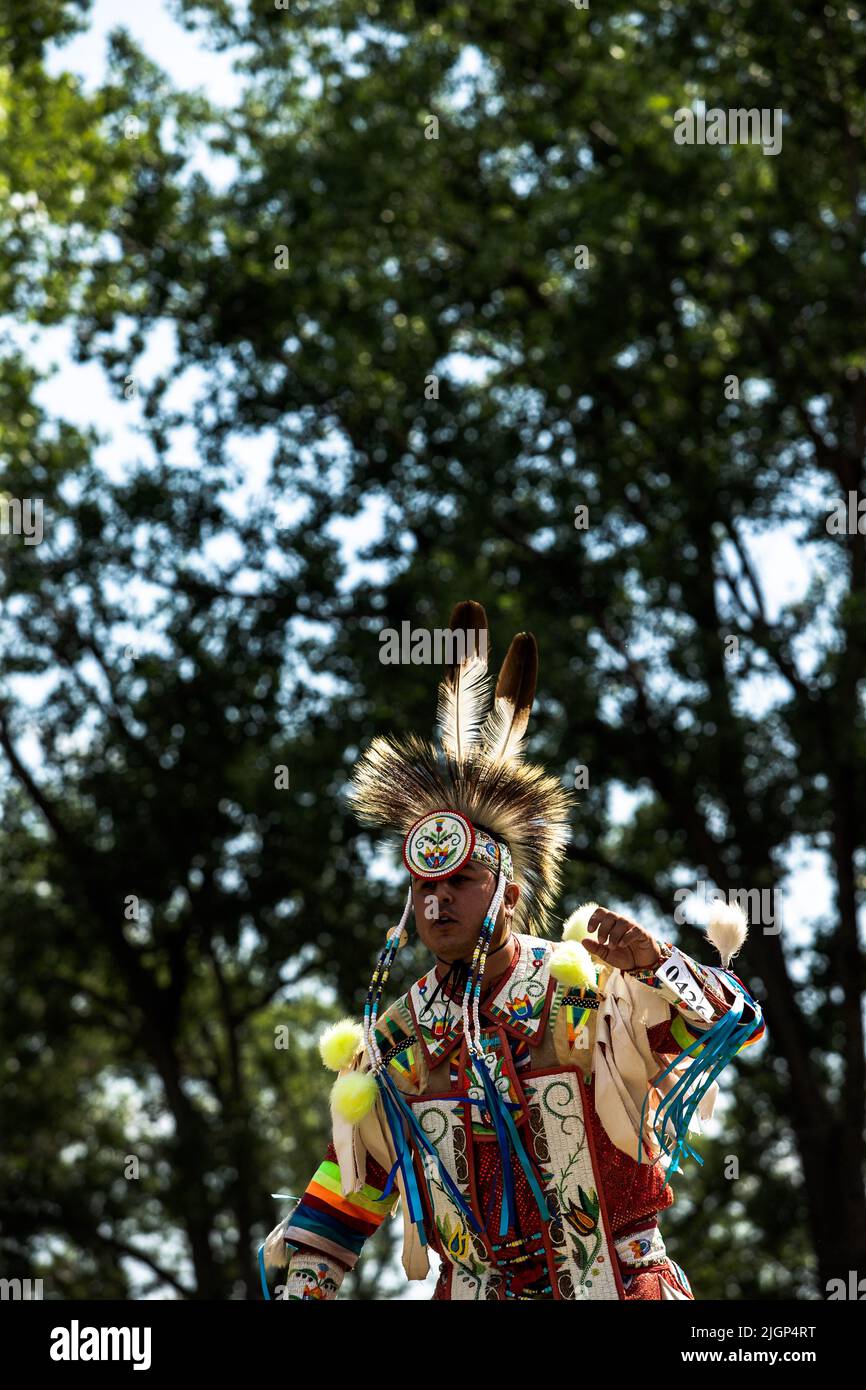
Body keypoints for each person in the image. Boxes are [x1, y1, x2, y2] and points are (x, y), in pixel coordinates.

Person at [261, 601, 765, 1301]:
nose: (437, 902)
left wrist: (656, 963)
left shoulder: (595, 997)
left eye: (461, 882)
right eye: (423, 885)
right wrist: (304, 1286)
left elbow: (733, 1021)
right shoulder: (394, 1047)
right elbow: (338, 1207)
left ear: (513, 891)